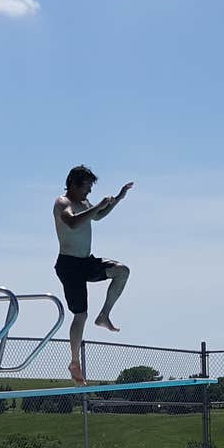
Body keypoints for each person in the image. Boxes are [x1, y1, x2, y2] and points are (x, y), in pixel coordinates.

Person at [53, 164, 133, 385]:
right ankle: (74, 362)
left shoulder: (84, 203)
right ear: (73, 184)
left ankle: (104, 315)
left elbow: (98, 216)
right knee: (80, 315)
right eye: (87, 187)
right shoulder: (63, 203)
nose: (89, 192)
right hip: (69, 265)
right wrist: (97, 205)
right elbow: (72, 223)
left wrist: (118, 198)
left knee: (122, 271)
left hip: (86, 261)